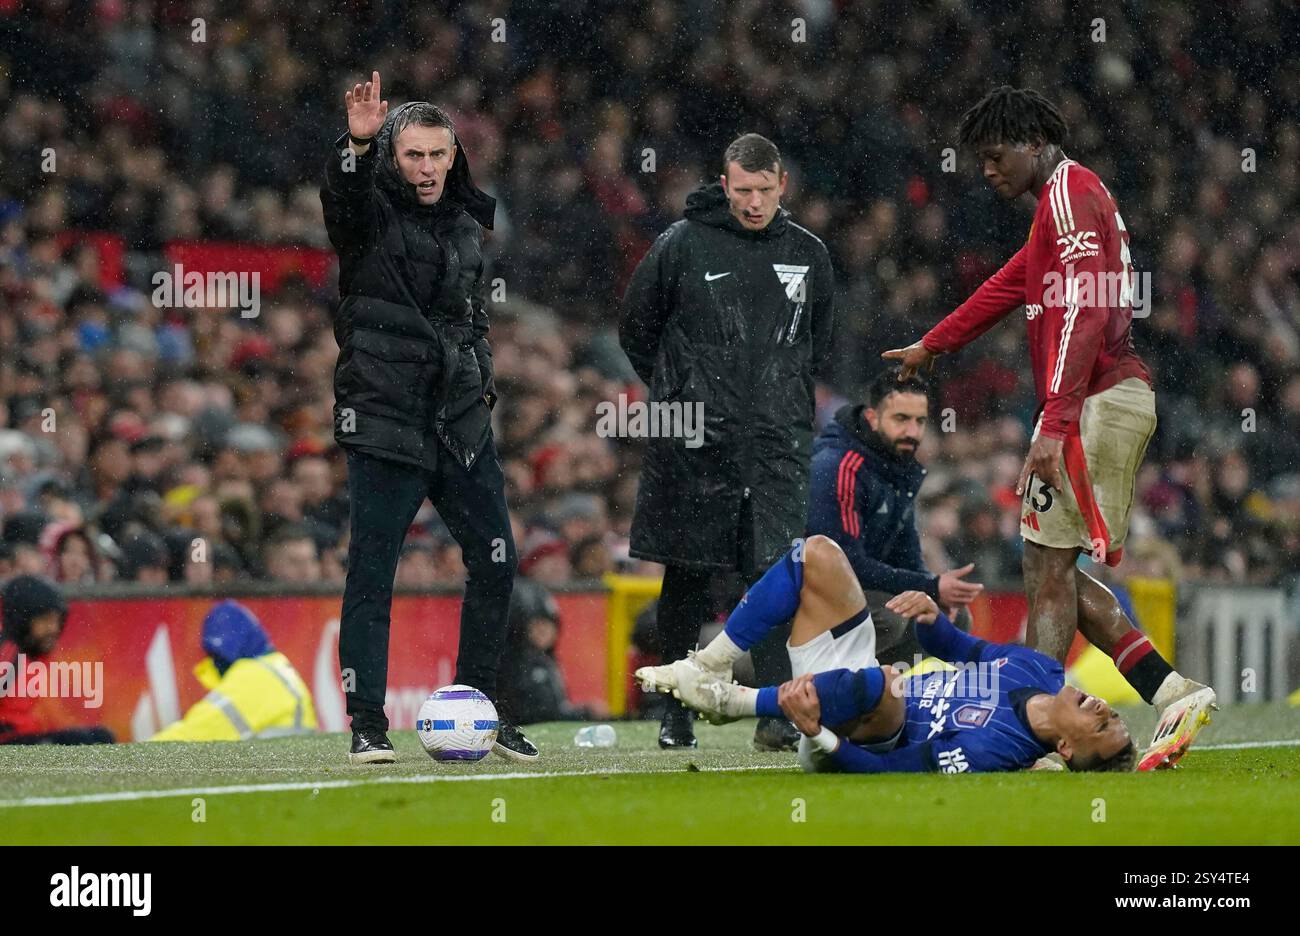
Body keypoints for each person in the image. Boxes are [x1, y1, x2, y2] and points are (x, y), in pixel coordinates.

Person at [882, 86, 1213, 765]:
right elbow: (1008, 286)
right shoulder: (1061, 208)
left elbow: (1087, 312)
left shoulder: (1068, 195)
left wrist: (1054, 423)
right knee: (1047, 566)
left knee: (1046, 567)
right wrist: (933, 345)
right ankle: (1166, 690)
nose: (987, 170)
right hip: (1100, 401)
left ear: (1034, 142)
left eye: (996, 155)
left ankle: (1036, 730)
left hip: (1099, 401)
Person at [320, 71, 534, 764]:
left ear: (454, 155)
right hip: (385, 414)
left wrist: (485, 389)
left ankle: (480, 708)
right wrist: (355, 145)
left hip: (459, 418)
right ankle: (367, 723)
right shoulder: (368, 212)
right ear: (392, 156)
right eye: (413, 155)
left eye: (438, 155)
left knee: (498, 561)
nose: (428, 168)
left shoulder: (466, 223)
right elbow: (342, 198)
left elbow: (472, 320)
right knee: (373, 572)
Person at [619, 133, 836, 751]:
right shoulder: (682, 245)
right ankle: (673, 710)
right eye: (742, 190)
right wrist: (682, 392)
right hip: (693, 437)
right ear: (724, 182)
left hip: (774, 441)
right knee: (686, 568)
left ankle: (772, 712)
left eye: (765, 190)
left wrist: (777, 401)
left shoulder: (807, 253)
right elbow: (637, 327)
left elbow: (820, 345)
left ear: (782, 186)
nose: (753, 202)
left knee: (772, 573)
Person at [640, 536, 1167, 774]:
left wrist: (820, 739)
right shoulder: (1041, 669)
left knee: (885, 684)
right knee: (816, 554)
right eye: (1112, 713)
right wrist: (934, 620)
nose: (1102, 708)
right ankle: (707, 664)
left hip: (849, 731)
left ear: (1068, 751)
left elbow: (895, 768)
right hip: (846, 686)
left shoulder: (999, 750)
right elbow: (959, 649)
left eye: (1101, 726)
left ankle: (735, 702)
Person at [807, 366, 983, 665]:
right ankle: (815, 687)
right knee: (891, 618)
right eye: (901, 419)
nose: (913, 432)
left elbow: (906, 553)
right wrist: (931, 586)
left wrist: (932, 589)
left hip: (857, 592)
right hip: (813, 597)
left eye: (920, 422)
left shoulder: (897, 467)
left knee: (946, 617)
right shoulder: (839, 466)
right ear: (873, 418)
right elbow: (843, 564)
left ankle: (875, 698)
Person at [150, 600, 316, 742]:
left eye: (219, 654)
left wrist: (136, 753)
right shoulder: (273, 667)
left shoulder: (253, 678)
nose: (217, 661)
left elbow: (195, 733)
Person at [0, 575, 114, 745]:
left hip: (22, 739)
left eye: (57, 620)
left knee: (101, 736)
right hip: (9, 745)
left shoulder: (29, 651)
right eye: (45, 620)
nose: (54, 628)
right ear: (23, 619)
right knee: (86, 741)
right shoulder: (8, 654)